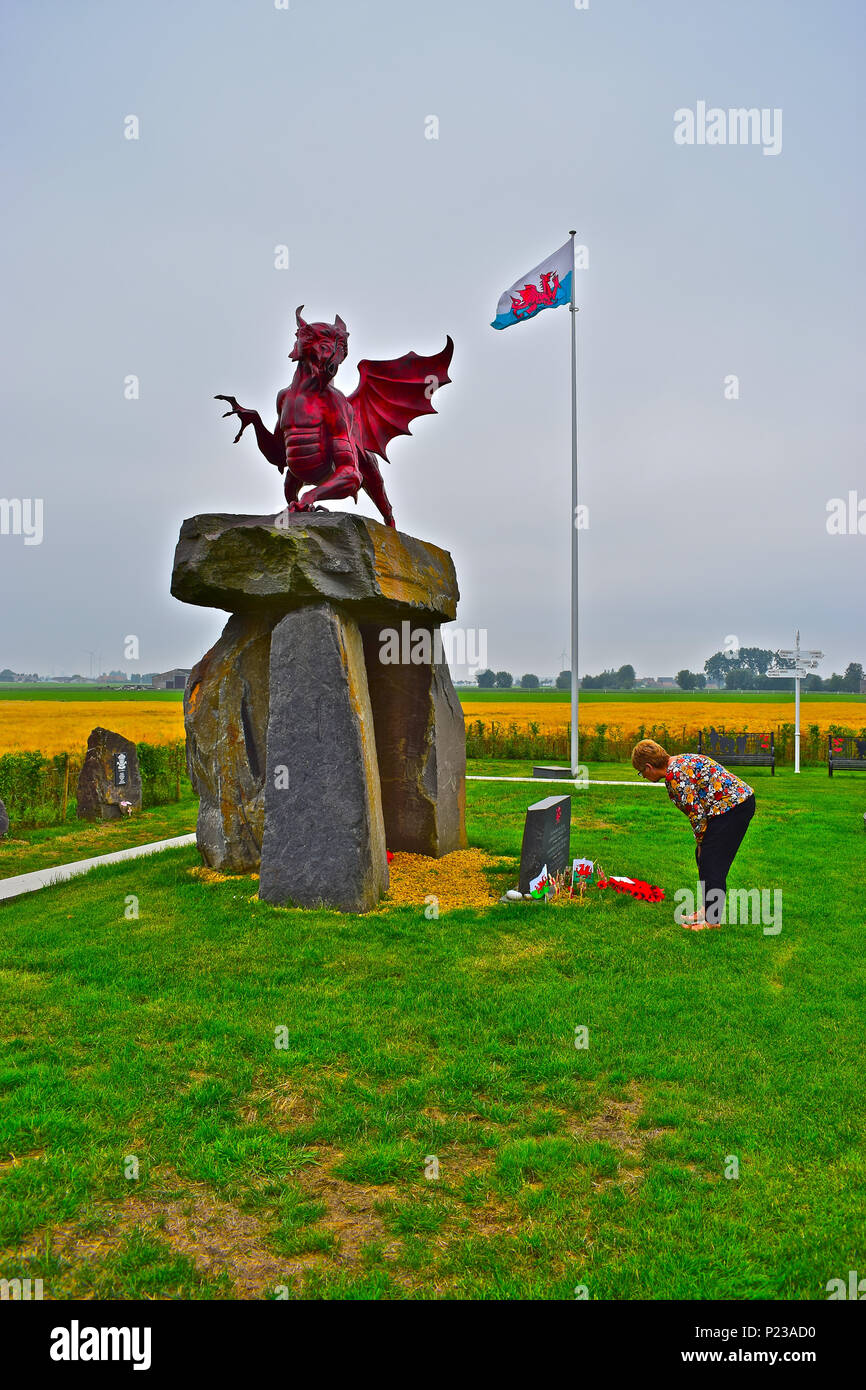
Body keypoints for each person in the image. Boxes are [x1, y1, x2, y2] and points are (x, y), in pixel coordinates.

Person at [631, 739, 756, 931]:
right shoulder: (676, 764)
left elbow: (696, 815)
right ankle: (708, 909)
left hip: (733, 808)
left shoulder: (676, 775)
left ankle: (712, 922)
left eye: (641, 772)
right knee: (706, 858)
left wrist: (700, 843)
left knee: (712, 860)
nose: (643, 776)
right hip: (727, 807)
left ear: (649, 767)